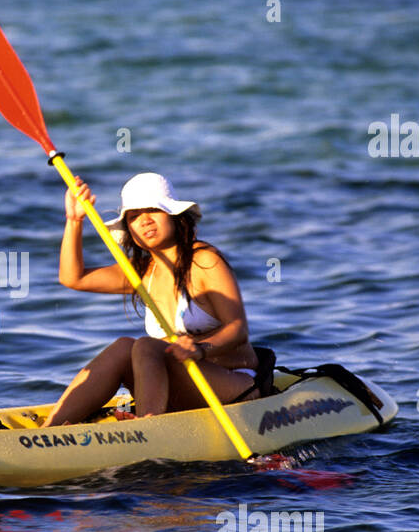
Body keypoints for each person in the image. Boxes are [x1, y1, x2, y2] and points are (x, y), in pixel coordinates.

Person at [43, 172, 268, 426]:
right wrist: (74, 220)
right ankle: (47, 432)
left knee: (147, 346)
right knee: (123, 347)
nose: (145, 221)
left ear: (173, 215)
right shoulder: (141, 272)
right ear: (129, 228)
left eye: (153, 210)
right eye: (134, 216)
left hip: (234, 387)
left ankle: (147, 427)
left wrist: (200, 350)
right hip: (183, 390)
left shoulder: (204, 260)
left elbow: (238, 329)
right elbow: (73, 278)